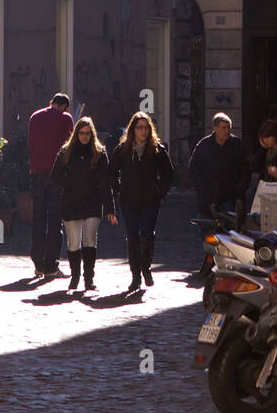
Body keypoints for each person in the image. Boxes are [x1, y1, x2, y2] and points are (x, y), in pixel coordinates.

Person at [109, 112, 175, 292]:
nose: (143, 131)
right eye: (139, 127)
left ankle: (146, 268)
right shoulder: (123, 149)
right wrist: (118, 189)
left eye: (146, 127)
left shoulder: (157, 149)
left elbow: (168, 173)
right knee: (132, 237)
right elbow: (111, 171)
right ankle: (135, 276)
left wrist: (160, 191)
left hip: (150, 200)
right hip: (129, 200)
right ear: (133, 129)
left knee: (147, 234)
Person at [50, 117, 116, 291]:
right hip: (71, 203)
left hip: (92, 203)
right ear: (76, 133)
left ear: (92, 133)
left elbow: (105, 182)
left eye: (88, 133)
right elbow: (54, 176)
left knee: (89, 239)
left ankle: (88, 278)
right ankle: (75, 276)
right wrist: (69, 183)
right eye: (82, 133)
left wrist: (109, 208)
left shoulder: (99, 153)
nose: (85, 136)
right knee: (73, 243)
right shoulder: (66, 152)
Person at [28, 93, 74, 279]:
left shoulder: (35, 116)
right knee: (55, 219)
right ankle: (51, 265)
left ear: (51, 103)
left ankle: (38, 263)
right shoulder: (66, 119)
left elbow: (30, 144)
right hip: (57, 174)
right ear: (65, 107)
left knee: (38, 218)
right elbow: (69, 146)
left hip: (37, 172)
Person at [189, 112, 250, 218]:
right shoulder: (204, 145)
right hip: (208, 197)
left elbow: (246, 168)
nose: (227, 131)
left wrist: (241, 187)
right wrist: (201, 189)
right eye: (224, 128)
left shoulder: (237, 144)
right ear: (215, 128)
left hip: (230, 197)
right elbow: (193, 167)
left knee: (228, 230)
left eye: (229, 128)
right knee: (207, 230)